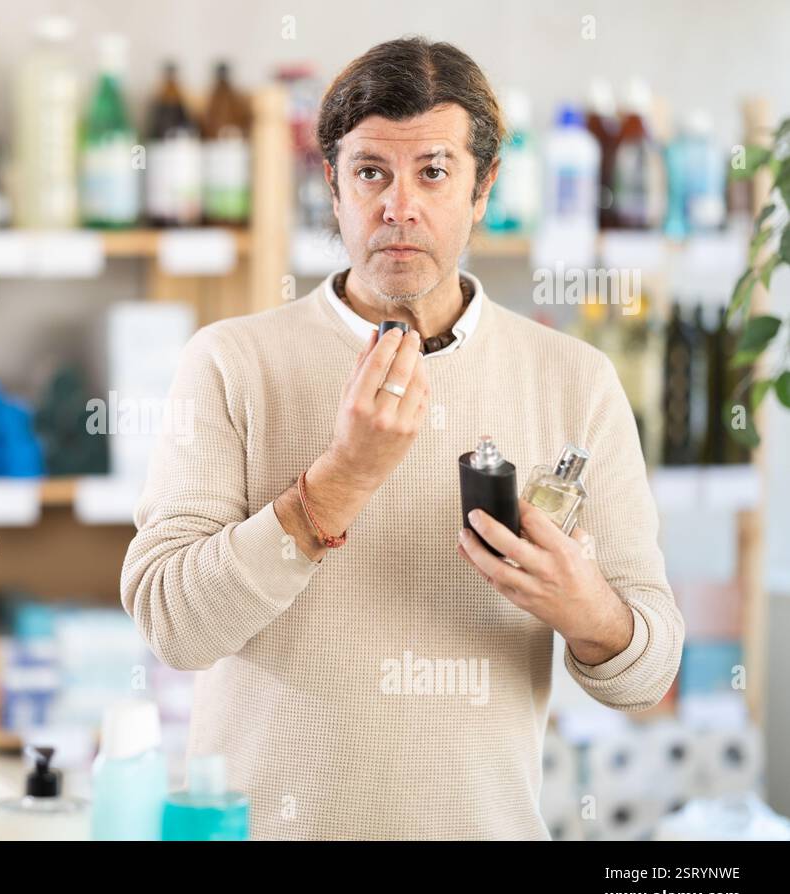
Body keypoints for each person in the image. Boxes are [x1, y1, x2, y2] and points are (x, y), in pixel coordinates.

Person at [120, 36, 683, 840]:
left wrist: (590, 610)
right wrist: (338, 483)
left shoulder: (576, 379)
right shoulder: (229, 362)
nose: (399, 206)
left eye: (434, 172)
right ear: (333, 187)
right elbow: (172, 626)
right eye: (371, 172)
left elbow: (649, 673)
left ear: (484, 187)